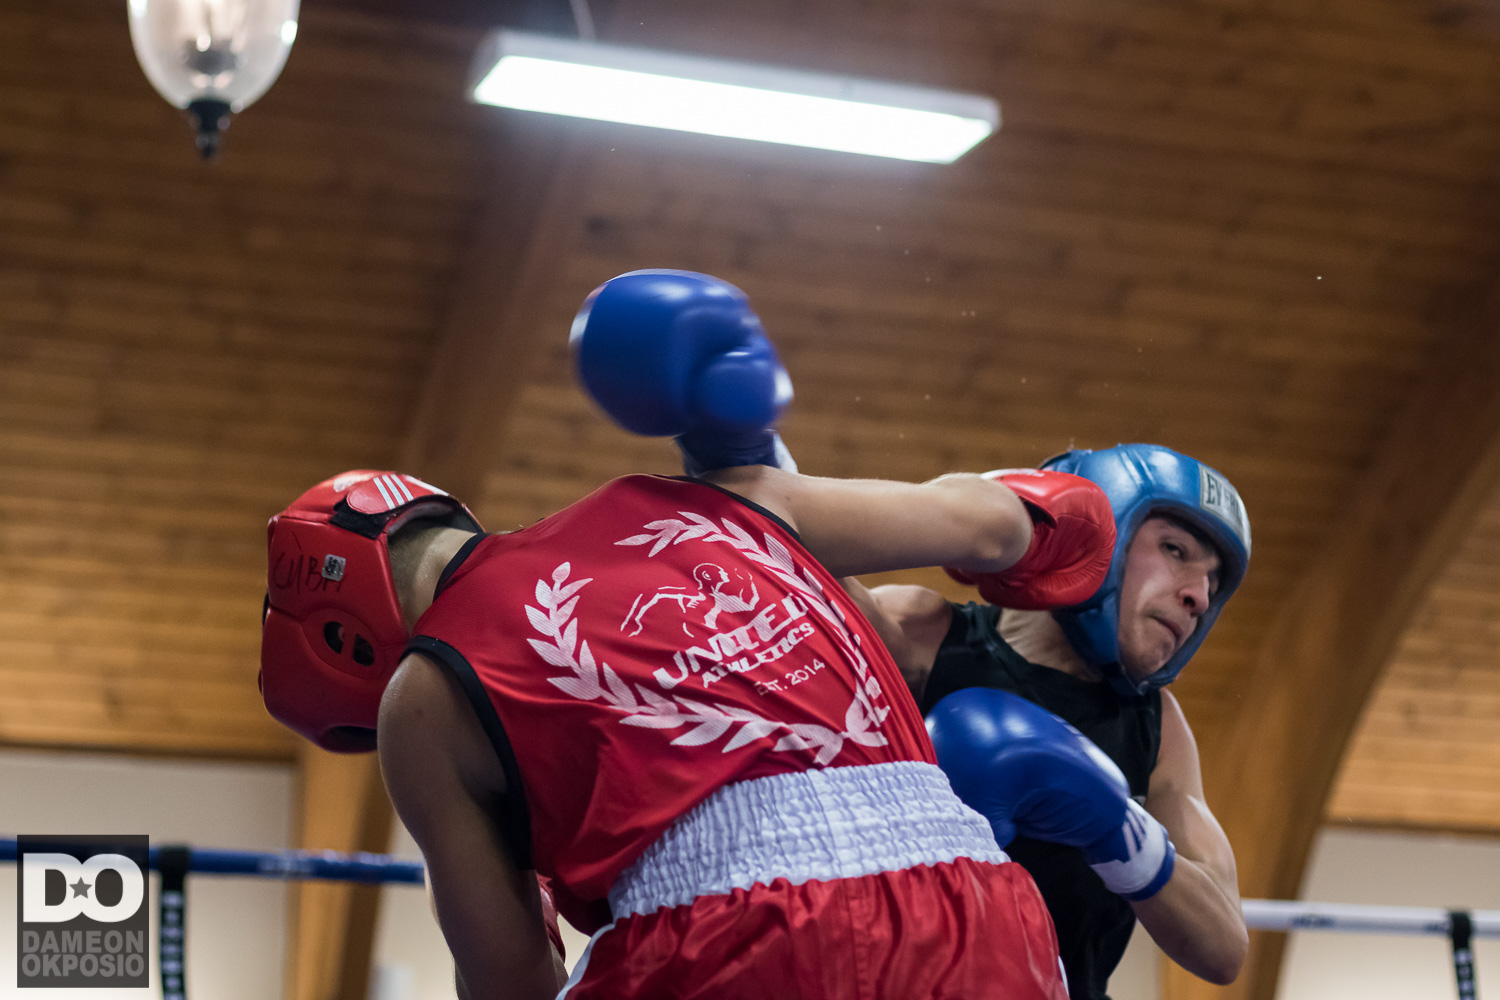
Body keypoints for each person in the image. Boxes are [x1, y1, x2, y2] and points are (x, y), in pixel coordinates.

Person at [257, 270, 1128, 1000]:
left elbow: (512, 976)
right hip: (974, 909)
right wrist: (747, 440)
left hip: (731, 950)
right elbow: (1009, 525)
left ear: (349, 647)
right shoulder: (733, 497)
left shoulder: (421, 693)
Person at [858, 445, 1253, 1000]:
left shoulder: (1156, 727)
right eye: (1174, 549)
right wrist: (972, 524)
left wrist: (1120, 831)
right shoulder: (923, 634)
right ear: (1097, 535)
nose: (1198, 595)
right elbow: (783, 586)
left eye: (1214, 582)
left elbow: (1223, 948)